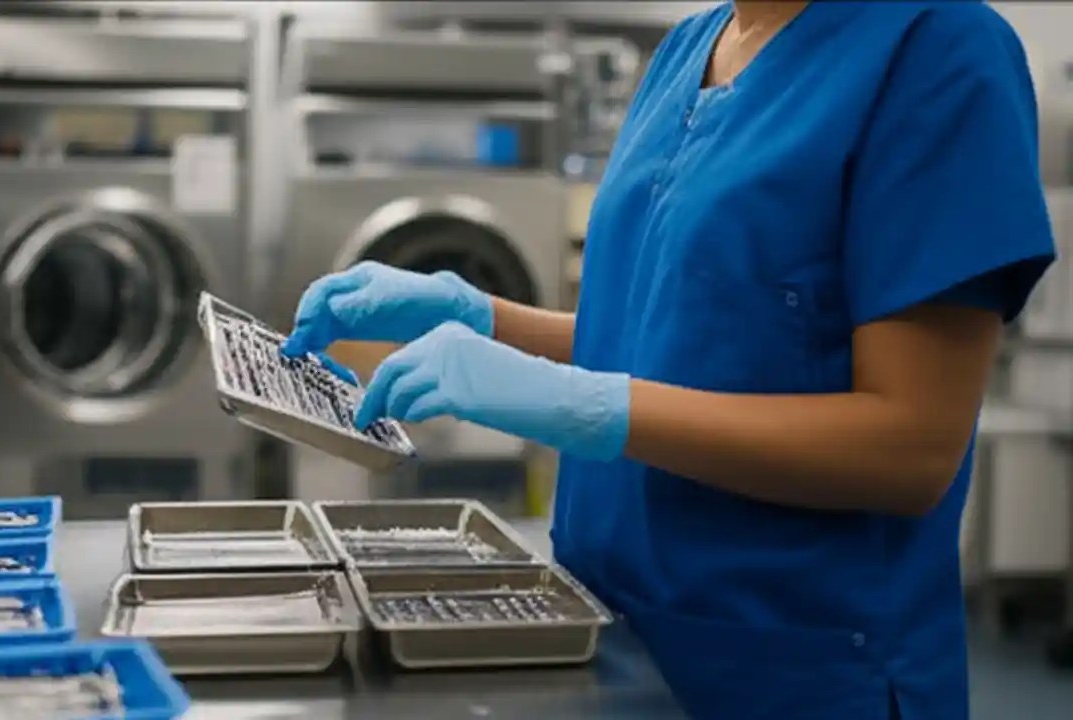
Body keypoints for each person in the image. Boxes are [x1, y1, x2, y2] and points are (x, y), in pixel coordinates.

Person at [282, 2, 1056, 718]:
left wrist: (591, 407)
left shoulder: (936, 51)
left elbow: (910, 447)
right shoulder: (691, 47)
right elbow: (674, 330)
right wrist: (482, 316)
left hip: (791, 666)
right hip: (606, 634)